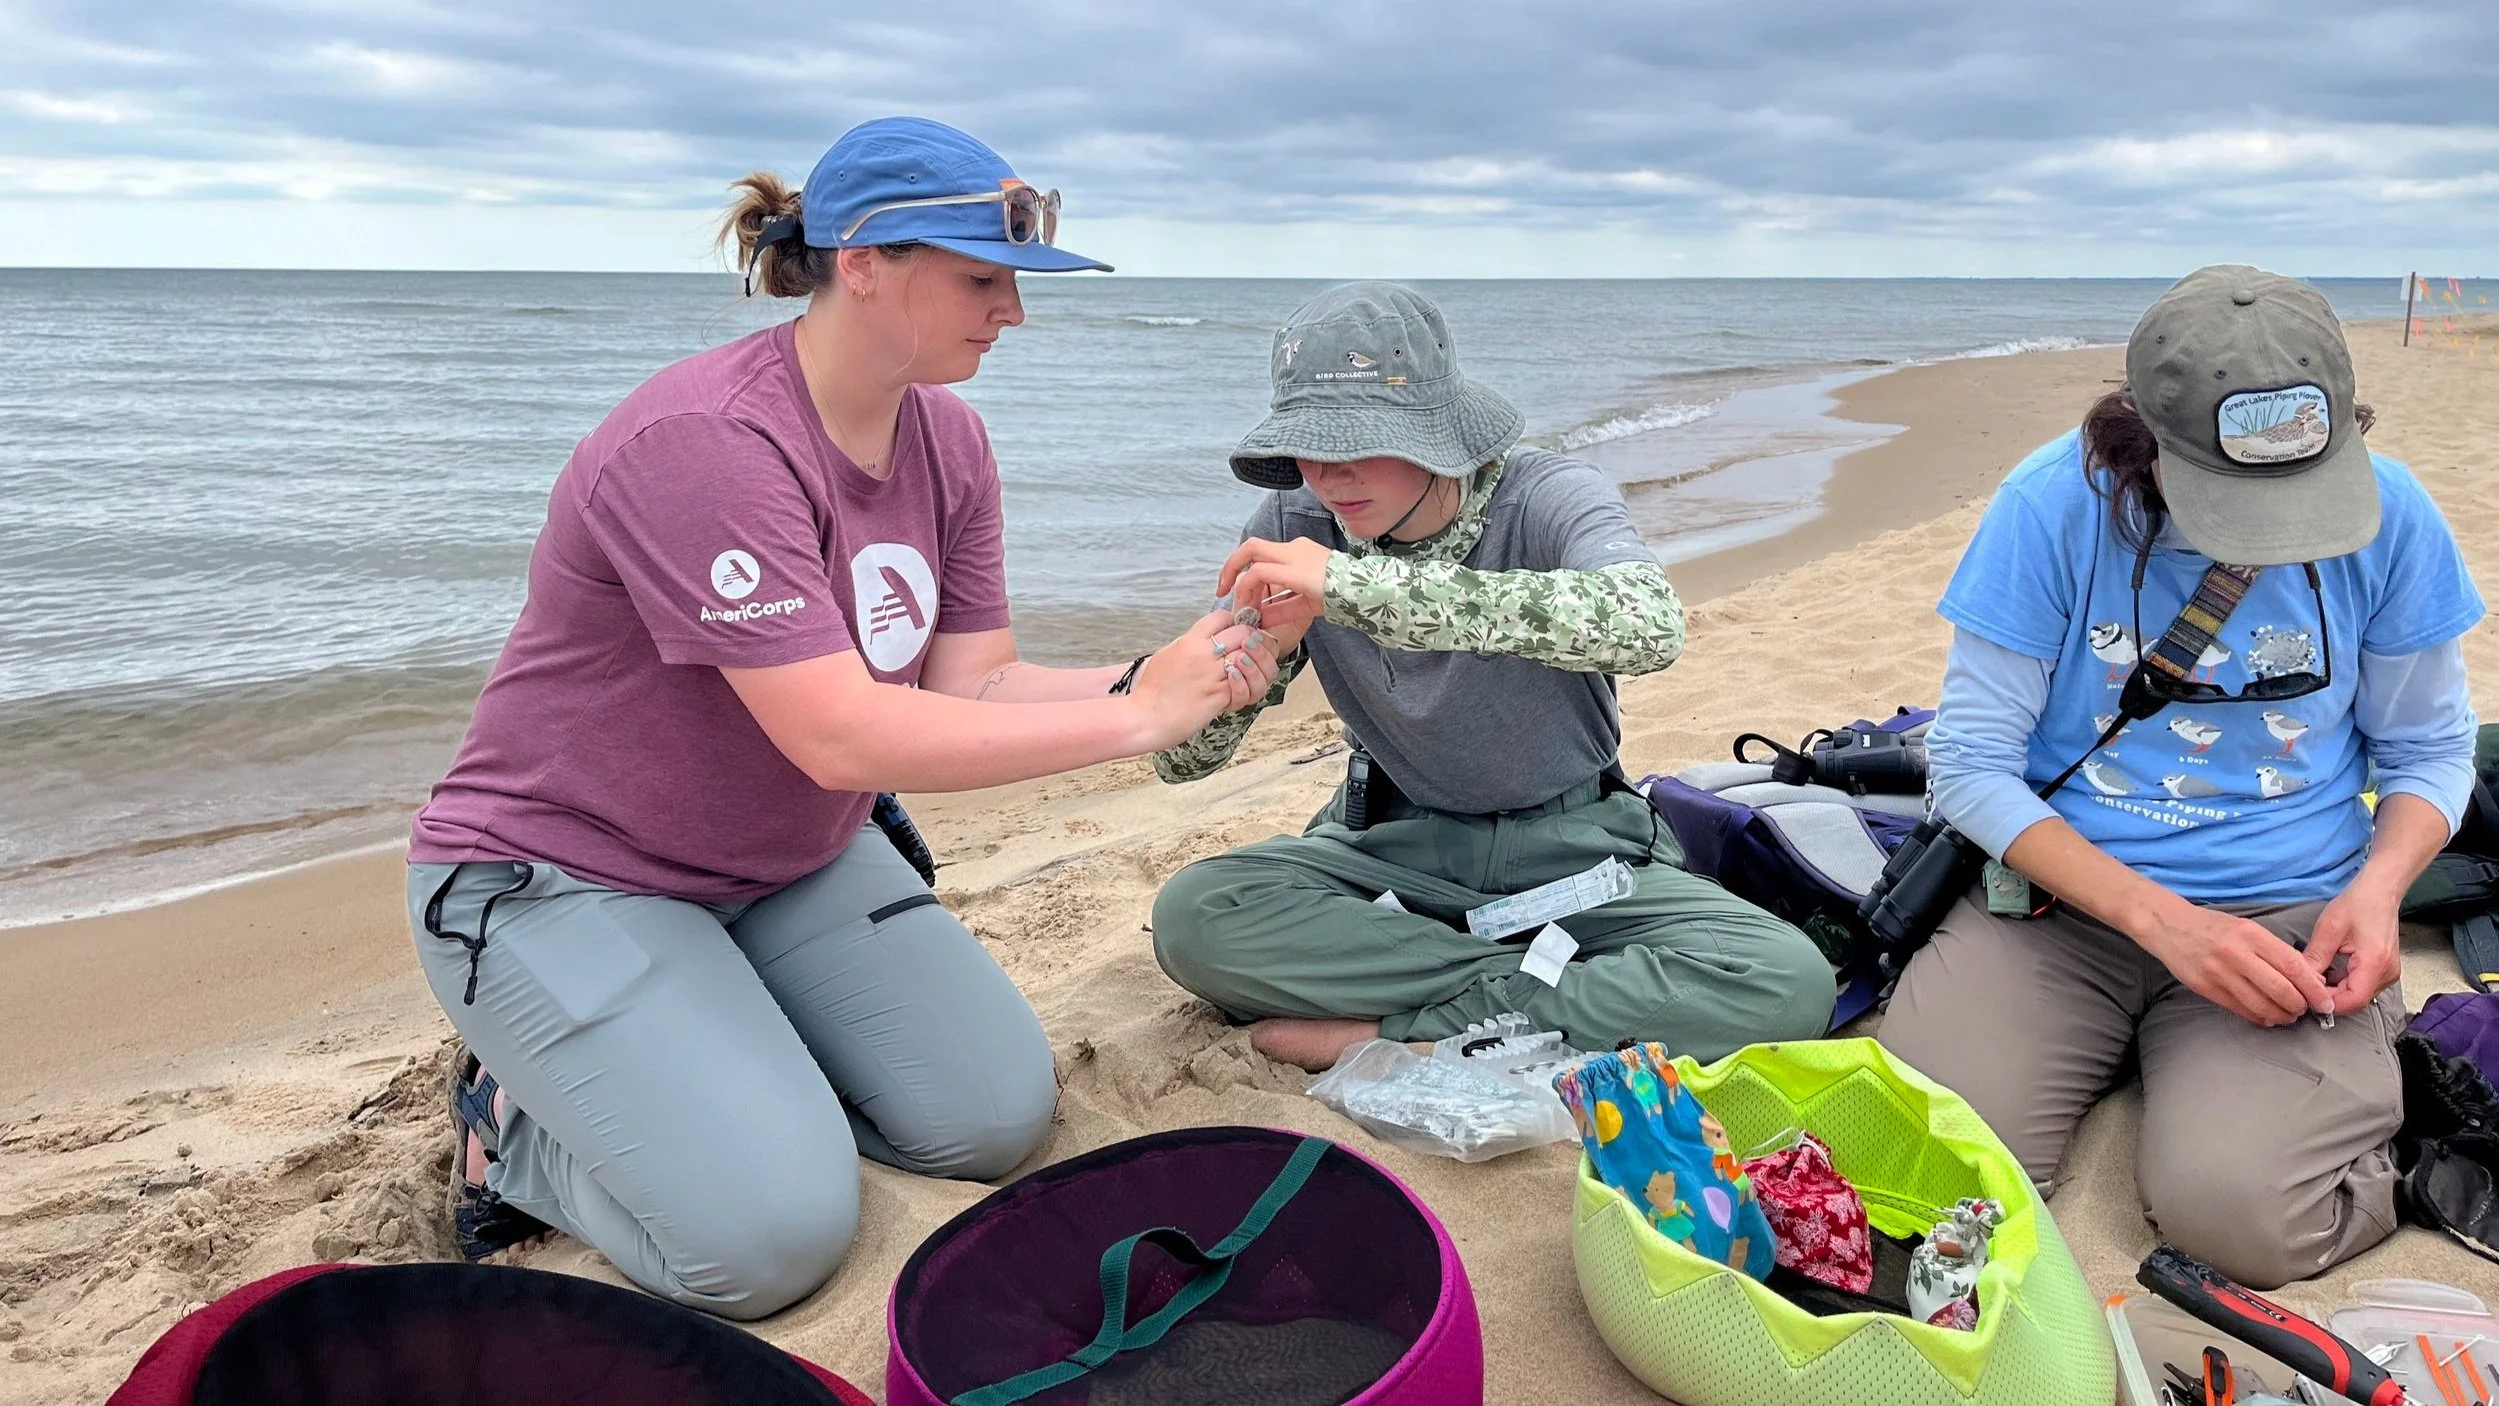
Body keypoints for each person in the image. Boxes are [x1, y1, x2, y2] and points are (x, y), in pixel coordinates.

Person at [404, 117, 1281, 1320]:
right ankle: (513, 1130)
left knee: (987, 1117)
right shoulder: (708, 442)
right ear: (862, 261)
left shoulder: (951, 437)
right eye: (984, 280)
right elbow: (840, 735)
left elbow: (973, 685)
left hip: (785, 859)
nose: (1012, 314)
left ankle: (712, 1060)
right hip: (564, 873)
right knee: (772, 1241)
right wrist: (1140, 724)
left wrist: (1174, 670)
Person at [1880, 265, 2483, 1289]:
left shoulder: (2396, 513)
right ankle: (2141, 1051)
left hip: (2294, 916)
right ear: (2145, 441)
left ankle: (2241, 1090)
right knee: (1928, 1193)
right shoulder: (2046, 506)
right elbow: (1972, 763)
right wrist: (2167, 925)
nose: (2267, 530)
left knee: (2248, 1223)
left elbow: (2430, 748)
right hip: (2061, 908)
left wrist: (2379, 894)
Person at [1147, 282, 1839, 1074]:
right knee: (1194, 918)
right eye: (1311, 445)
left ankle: (1393, 1028)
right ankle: (1516, 1003)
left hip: (1577, 851)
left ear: (1434, 430)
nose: (1330, 475)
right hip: (1389, 847)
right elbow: (1182, 761)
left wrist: (1353, 588)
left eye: (1361, 441)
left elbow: (1648, 624)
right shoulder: (1289, 522)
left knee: (1784, 979)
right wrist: (1251, 671)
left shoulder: (1542, 494)